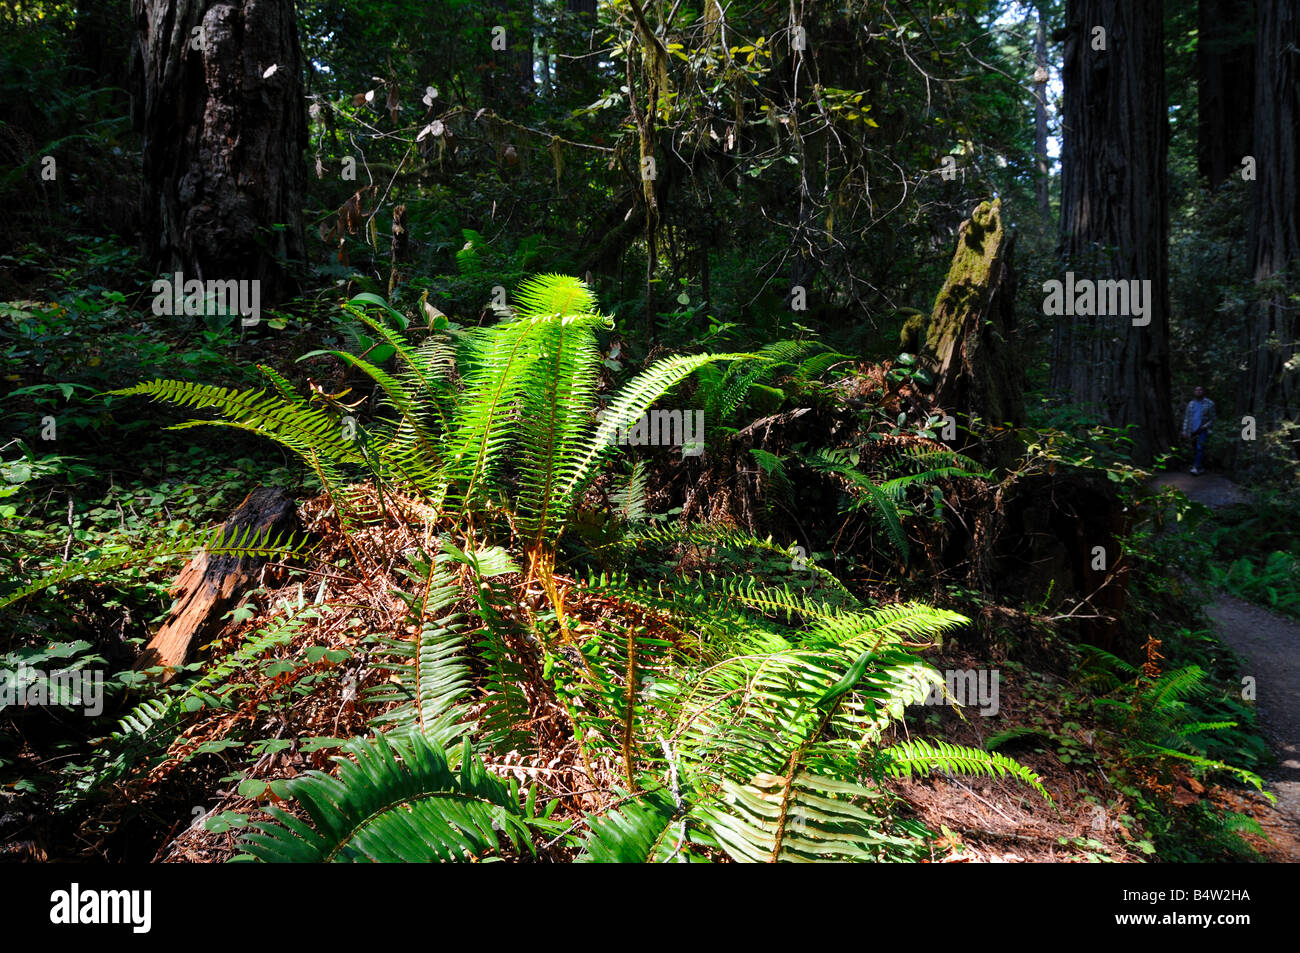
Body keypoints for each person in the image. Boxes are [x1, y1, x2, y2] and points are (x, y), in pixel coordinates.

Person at [1181, 385, 1216, 475]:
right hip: (1192, 430)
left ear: (1203, 392)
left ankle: (1196, 467)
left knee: (1200, 448)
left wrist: (1206, 426)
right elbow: (1187, 418)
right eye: (1196, 390)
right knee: (1195, 449)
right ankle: (1200, 466)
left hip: (1202, 429)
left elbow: (1213, 418)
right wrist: (1185, 430)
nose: (1198, 391)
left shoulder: (1209, 403)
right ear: (1194, 392)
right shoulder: (1191, 404)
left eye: (1200, 390)